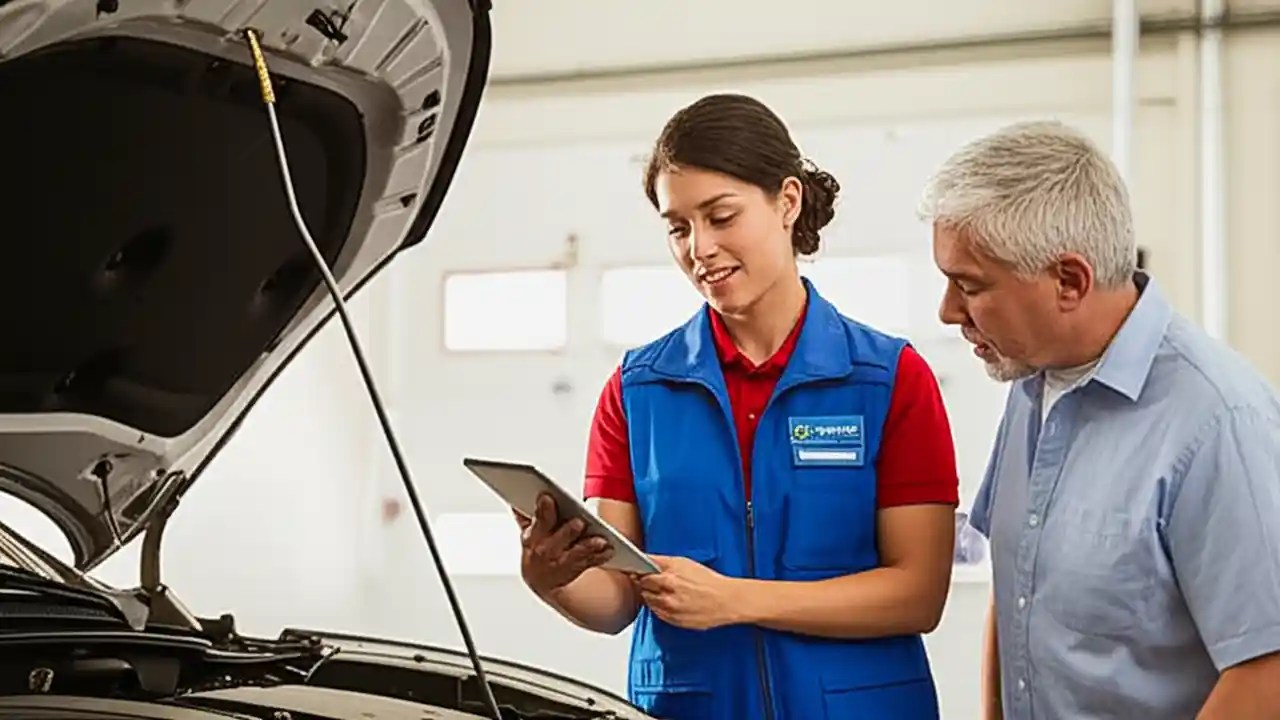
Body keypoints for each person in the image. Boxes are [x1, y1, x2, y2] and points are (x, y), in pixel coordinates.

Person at [514, 92, 961, 720]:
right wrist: (550, 578)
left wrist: (738, 601)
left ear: (787, 202)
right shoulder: (635, 391)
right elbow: (616, 600)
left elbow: (918, 593)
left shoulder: (888, 380)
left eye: (721, 216)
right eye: (678, 227)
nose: (699, 248)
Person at [919, 120, 1280, 719]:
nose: (948, 310)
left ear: (1069, 281)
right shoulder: (1033, 381)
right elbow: (1016, 597)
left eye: (970, 286)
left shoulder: (1221, 422)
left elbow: (1267, 671)